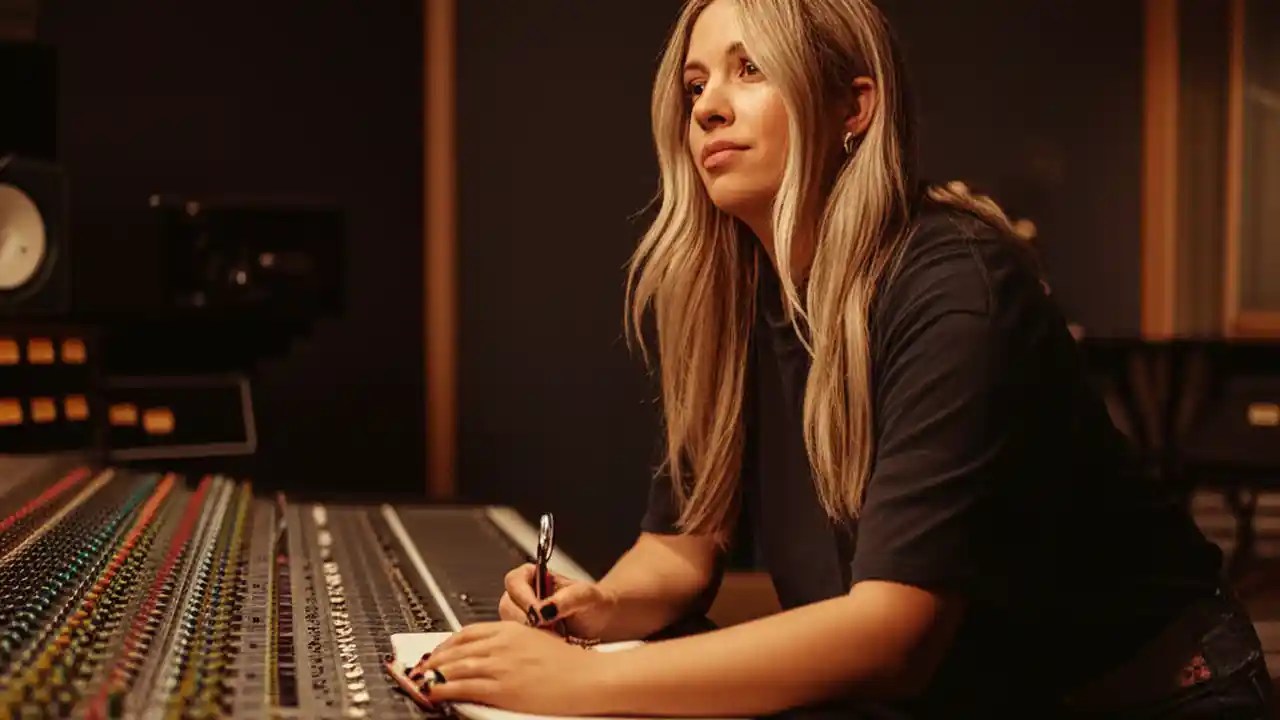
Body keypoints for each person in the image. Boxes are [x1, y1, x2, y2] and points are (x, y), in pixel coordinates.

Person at [417, 0, 1274, 716]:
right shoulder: (737, 296)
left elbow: (890, 634)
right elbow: (680, 546)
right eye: (696, 83)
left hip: (1151, 696)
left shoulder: (957, 285)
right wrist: (601, 607)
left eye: (750, 70)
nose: (709, 105)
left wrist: (587, 683)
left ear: (852, 108)